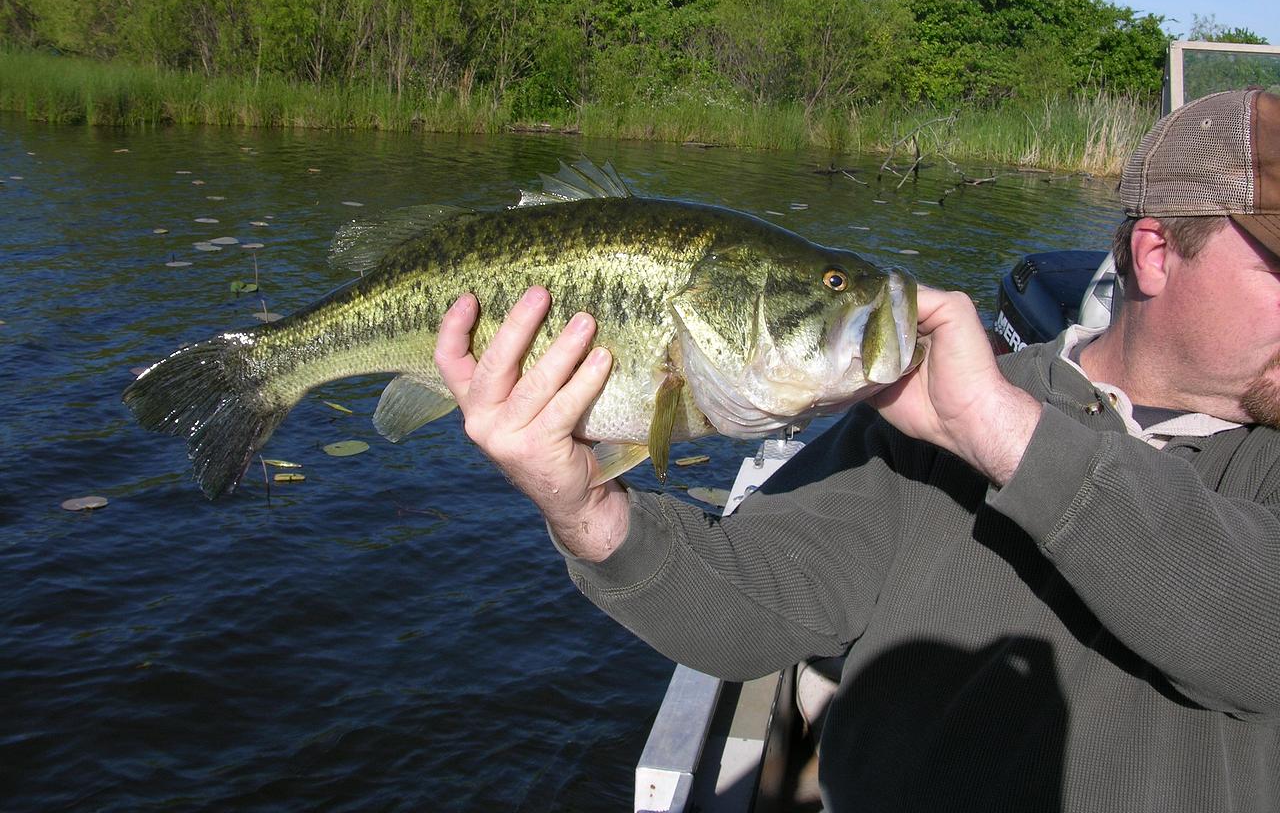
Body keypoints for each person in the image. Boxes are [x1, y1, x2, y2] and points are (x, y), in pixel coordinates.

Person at [435, 87, 1280, 812]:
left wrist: (1004, 435)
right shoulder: (926, 421)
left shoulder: (995, 417)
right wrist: (584, 510)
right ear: (1156, 253)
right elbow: (751, 616)